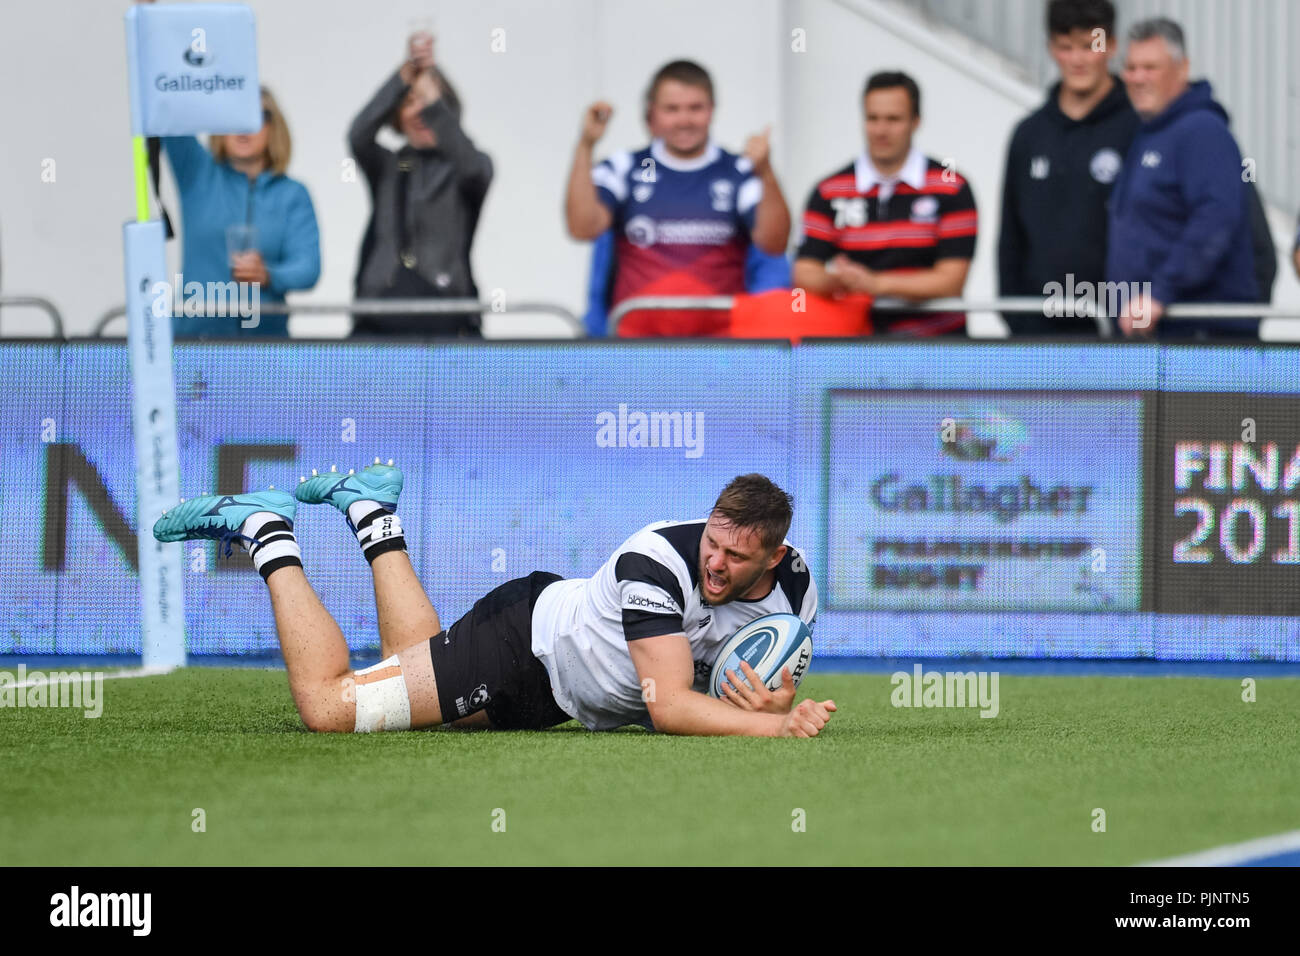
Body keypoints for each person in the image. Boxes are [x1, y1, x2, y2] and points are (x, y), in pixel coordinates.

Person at [153, 467, 835, 737]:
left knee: (412, 683)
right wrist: (776, 727)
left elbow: (736, 680)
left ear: (773, 559)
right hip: (522, 646)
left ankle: (371, 513)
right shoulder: (655, 562)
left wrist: (764, 700)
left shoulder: (796, 596)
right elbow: (669, 705)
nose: (714, 563)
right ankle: (265, 531)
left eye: (736, 557)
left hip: (557, 699)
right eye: (713, 540)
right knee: (334, 710)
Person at [565, 60, 792, 337]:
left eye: (695, 108)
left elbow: (775, 243)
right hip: (634, 351)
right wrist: (586, 145)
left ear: (711, 110)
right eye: (672, 109)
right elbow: (582, 227)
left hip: (723, 351)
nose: (684, 120)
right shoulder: (626, 166)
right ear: (653, 113)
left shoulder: (739, 170)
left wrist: (766, 173)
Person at [792, 71, 978, 336]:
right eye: (872, 118)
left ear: (916, 122)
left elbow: (951, 281)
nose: (881, 130)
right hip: (856, 352)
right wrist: (838, 280)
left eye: (893, 119)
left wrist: (875, 284)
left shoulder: (952, 187)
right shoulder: (828, 191)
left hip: (937, 352)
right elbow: (804, 272)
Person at [1107, 18, 1257, 339]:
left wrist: (1160, 292)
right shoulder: (1149, 134)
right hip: (1153, 338)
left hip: (1198, 344)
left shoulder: (1202, 131)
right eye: (1131, 68)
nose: (1137, 78)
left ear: (1182, 68)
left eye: (1150, 67)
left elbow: (1216, 218)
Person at [998, 0, 1136, 335]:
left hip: (1120, 336)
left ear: (1112, 46)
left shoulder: (1140, 128)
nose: (1078, 59)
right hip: (1038, 335)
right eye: (1066, 47)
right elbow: (1010, 238)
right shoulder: (1029, 134)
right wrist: (1017, 317)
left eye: (1091, 46)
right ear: (1051, 48)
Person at [349, 30, 492, 337]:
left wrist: (435, 105)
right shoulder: (386, 165)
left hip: (447, 314)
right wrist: (405, 75)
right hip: (379, 314)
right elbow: (357, 135)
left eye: (427, 101)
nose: (420, 111)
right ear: (396, 116)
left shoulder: (469, 166)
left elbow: (473, 169)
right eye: (410, 102)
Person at [161, 87, 321, 337]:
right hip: (197, 341)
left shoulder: (293, 194)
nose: (244, 127)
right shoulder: (197, 174)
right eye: (234, 116)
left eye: (257, 117)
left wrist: (269, 275)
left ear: (273, 127)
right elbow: (168, 108)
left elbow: (308, 267)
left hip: (265, 346)